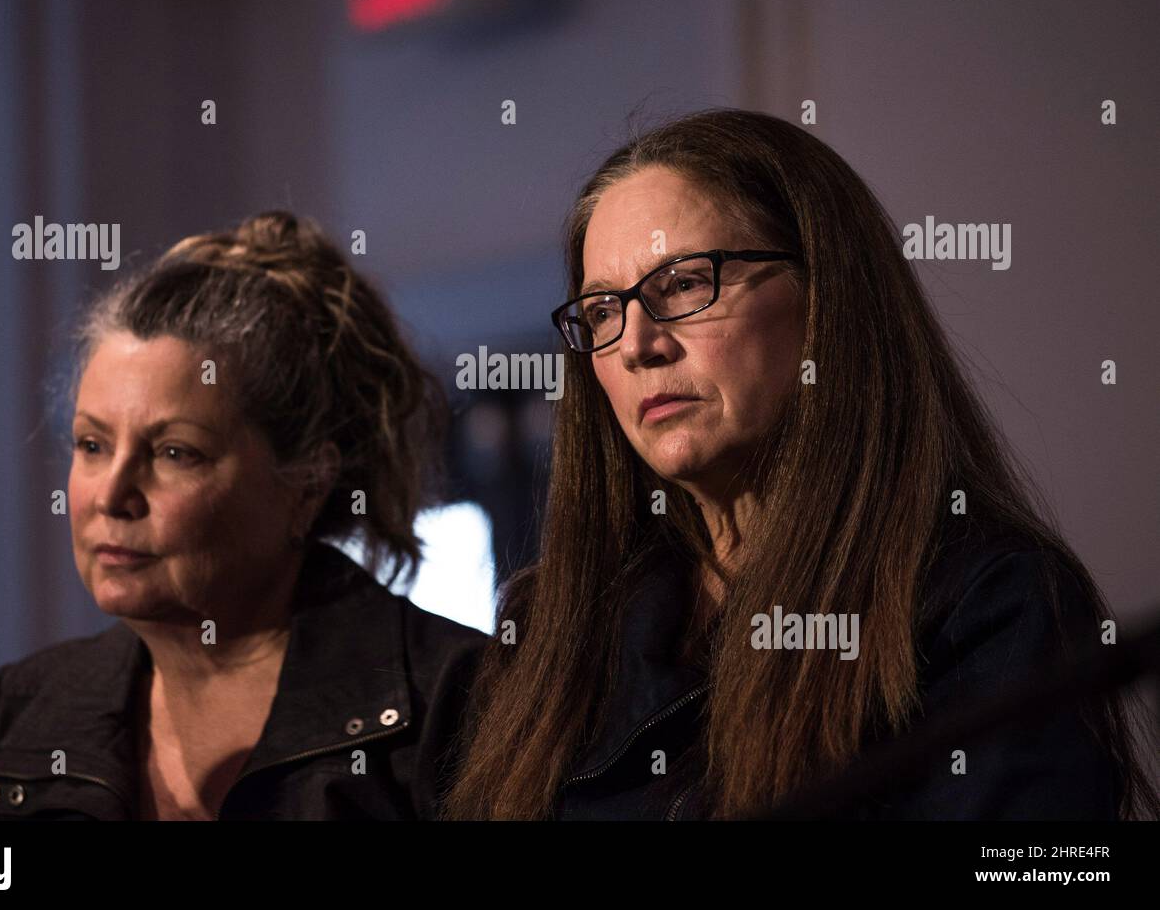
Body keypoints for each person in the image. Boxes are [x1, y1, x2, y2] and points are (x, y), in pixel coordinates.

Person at [440, 108, 1159, 820]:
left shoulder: (985, 603)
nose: (637, 343)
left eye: (686, 283)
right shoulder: (548, 634)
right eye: (602, 310)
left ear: (824, 301)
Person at [0, 211, 488, 820]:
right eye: (92, 445)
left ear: (305, 486)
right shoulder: (26, 704)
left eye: (174, 453)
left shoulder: (457, 699)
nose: (112, 496)